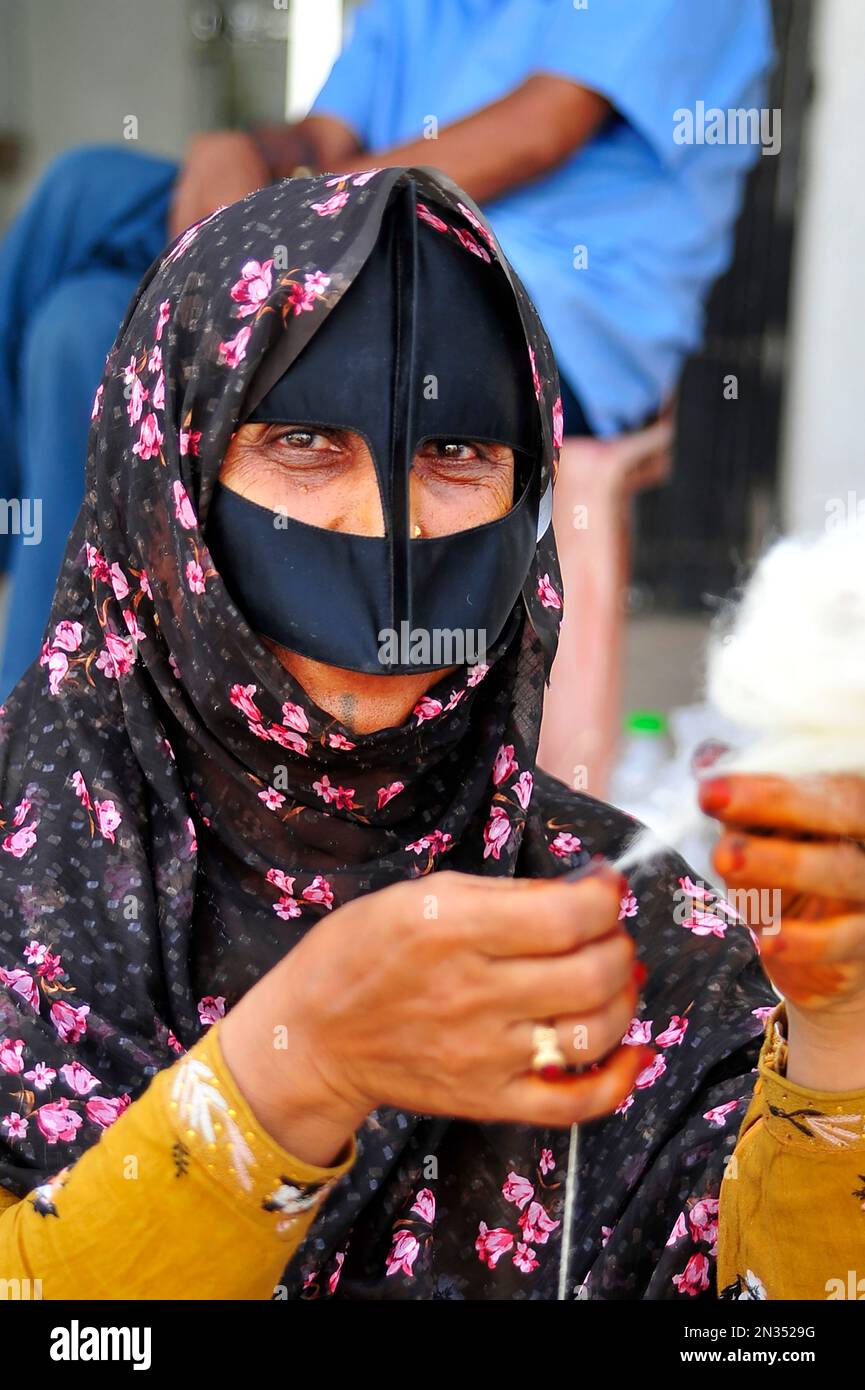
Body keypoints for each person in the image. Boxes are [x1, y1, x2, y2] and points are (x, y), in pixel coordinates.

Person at [0, 170, 862, 1301]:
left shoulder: (620, 944)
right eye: (303, 441)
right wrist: (298, 1067)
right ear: (167, 471)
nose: (389, 536)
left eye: (457, 455)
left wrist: (840, 1040)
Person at [0, 0, 773, 693]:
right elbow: (324, 133)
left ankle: (52, 717)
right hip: (360, 252)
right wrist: (252, 149)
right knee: (81, 314)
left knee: (86, 204)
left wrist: (289, 207)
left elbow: (539, 131)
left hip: (533, 313)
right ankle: (47, 736)